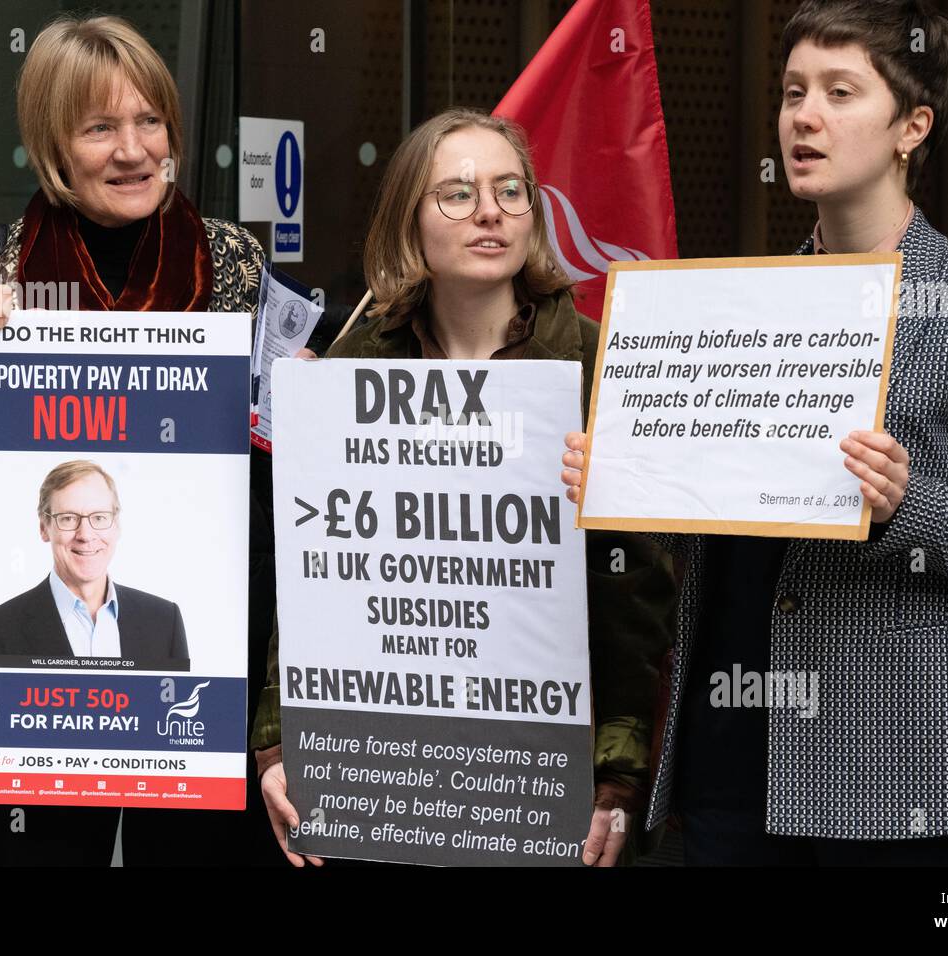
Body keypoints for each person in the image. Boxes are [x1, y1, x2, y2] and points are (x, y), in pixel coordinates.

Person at [563, 0, 948, 866]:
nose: (804, 115)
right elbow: (711, 526)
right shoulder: (734, 304)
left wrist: (908, 505)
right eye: (795, 91)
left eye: (841, 92)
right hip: (729, 756)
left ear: (913, 125)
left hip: (896, 765)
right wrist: (623, 482)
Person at [0, 13, 269, 866]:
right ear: (55, 146)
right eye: (100, 128)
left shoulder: (231, 262)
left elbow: (272, 469)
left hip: (191, 692)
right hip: (38, 721)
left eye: (150, 121)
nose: (133, 150)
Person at [250, 108, 676, 867]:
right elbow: (315, 576)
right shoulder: (353, 368)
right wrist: (281, 744)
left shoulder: (598, 364)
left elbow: (634, 594)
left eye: (511, 191)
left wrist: (615, 779)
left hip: (539, 776)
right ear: (408, 220)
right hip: (385, 777)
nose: (489, 211)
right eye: (457, 193)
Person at [0, 460, 189, 671]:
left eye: (99, 518)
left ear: (117, 525)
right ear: (44, 528)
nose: (85, 535)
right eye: (68, 518)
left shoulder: (164, 622)